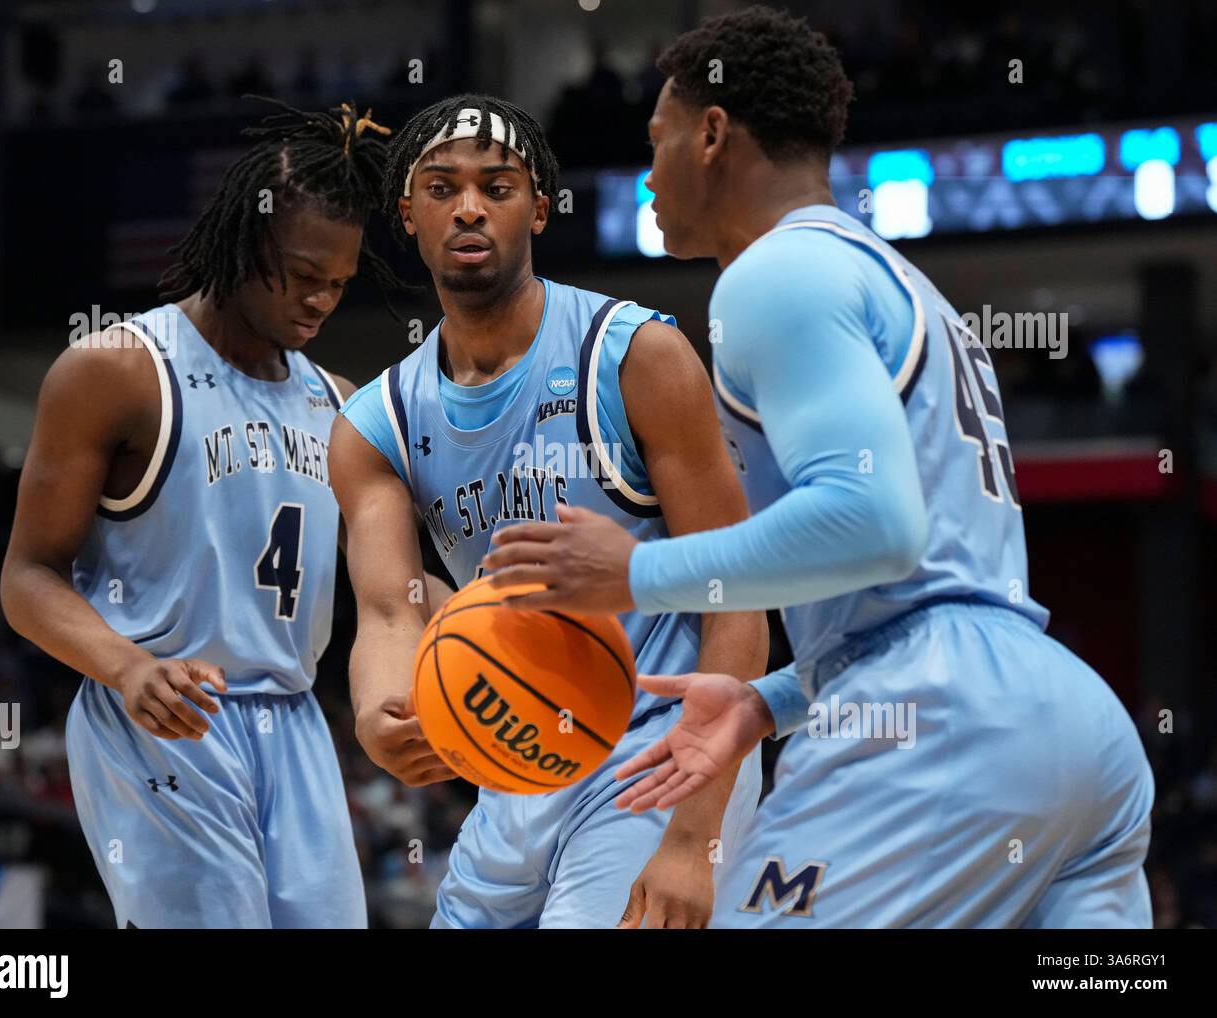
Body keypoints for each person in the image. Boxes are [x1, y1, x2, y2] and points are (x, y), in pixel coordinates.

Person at [484, 7, 1154, 929]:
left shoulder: (776, 274)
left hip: (935, 723)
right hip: (1072, 727)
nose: (647, 173)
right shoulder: (918, 294)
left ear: (713, 134)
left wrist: (631, 571)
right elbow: (945, 594)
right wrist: (768, 703)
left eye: (659, 140)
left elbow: (875, 527)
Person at [330, 94, 766, 929]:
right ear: (407, 214)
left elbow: (738, 594)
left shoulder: (636, 355)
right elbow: (390, 605)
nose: (469, 206)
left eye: (497, 186)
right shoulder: (373, 427)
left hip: (662, 749)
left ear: (538, 208)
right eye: (442, 187)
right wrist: (382, 705)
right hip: (515, 756)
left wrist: (693, 836)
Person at [0, 99, 398, 928]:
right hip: (164, 713)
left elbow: (391, 581)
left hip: (293, 722)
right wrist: (125, 666)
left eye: (340, 283)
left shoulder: (341, 405)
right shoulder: (116, 371)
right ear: (245, 244)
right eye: (303, 274)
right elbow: (27, 578)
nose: (323, 300)